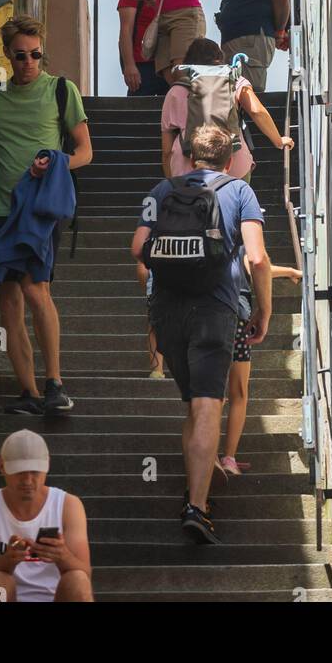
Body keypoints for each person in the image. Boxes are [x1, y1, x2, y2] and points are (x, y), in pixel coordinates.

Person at [131, 124, 272, 544]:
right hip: (216, 310)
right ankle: (196, 505)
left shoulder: (161, 190)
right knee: (210, 405)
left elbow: (137, 248)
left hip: (168, 311)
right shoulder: (240, 192)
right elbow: (258, 257)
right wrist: (263, 310)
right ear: (229, 161)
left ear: (190, 158)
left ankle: (197, 492)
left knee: (193, 404)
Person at [0, 16, 93, 415]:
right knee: (7, 299)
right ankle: (29, 393)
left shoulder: (60, 90)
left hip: (40, 208)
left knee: (35, 288)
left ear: (43, 51)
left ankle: (55, 383)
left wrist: (55, 163)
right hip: (4, 210)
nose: (28, 62)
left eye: (35, 54)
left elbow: (84, 152)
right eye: (20, 55)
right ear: (7, 54)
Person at [0, 430, 93, 603]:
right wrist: (8, 561)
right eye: (19, 472)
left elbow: (85, 572)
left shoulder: (69, 505)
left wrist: (63, 556)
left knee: (78, 580)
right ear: (1, 466)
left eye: (35, 471)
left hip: (56, 597)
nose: (28, 480)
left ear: (47, 465)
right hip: (8, 596)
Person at [160, 37, 294, 182]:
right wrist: (278, 141)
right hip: (233, 163)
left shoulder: (176, 91)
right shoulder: (234, 80)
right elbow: (257, 111)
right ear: (219, 57)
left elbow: (166, 151)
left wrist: (171, 182)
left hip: (187, 168)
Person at [220, 255, 302, 476]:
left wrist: (288, 272)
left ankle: (205, 456)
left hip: (202, 316)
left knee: (209, 393)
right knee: (238, 393)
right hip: (236, 316)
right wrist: (290, 271)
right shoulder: (239, 231)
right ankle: (228, 458)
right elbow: (257, 265)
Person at [116, 0, 169, 96]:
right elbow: (125, 31)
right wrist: (129, 66)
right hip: (144, 65)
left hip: (169, 64)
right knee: (138, 115)